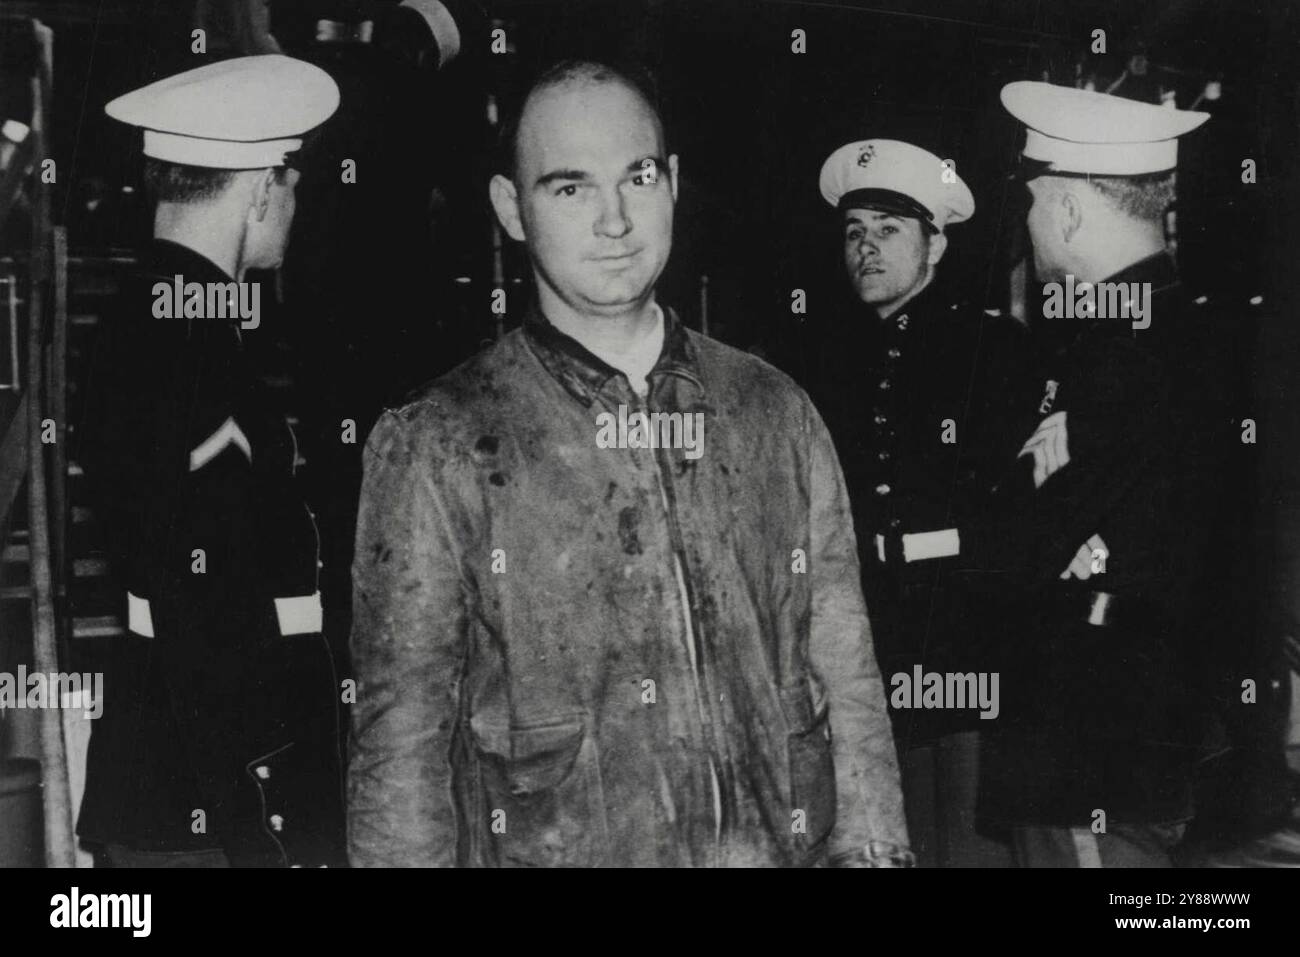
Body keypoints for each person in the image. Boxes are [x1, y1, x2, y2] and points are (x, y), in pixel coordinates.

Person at [347, 59, 908, 867]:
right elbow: (400, 752)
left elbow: (847, 676)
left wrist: (878, 854)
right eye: (570, 188)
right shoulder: (439, 442)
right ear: (511, 207)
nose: (615, 219)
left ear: (673, 182)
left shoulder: (771, 409)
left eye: (637, 177)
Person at [77, 55, 344, 867]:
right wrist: (258, 824)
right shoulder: (197, 351)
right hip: (208, 810)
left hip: (159, 785)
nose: (293, 205)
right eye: (290, 182)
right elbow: (208, 618)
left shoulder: (147, 323)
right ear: (262, 186)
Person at [962, 80, 1228, 867]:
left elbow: (1011, 551)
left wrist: (1012, 541)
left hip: (1087, 745)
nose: (1030, 229)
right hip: (1133, 733)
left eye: (1035, 206)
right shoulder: (1171, 330)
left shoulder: (1118, 356)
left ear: (1070, 211)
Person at [811, 139, 1031, 867]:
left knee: (968, 846)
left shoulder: (993, 352)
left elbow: (1022, 517)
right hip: (872, 640)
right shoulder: (829, 361)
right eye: (854, 232)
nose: (866, 248)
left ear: (935, 244)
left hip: (970, 635)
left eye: (889, 229)